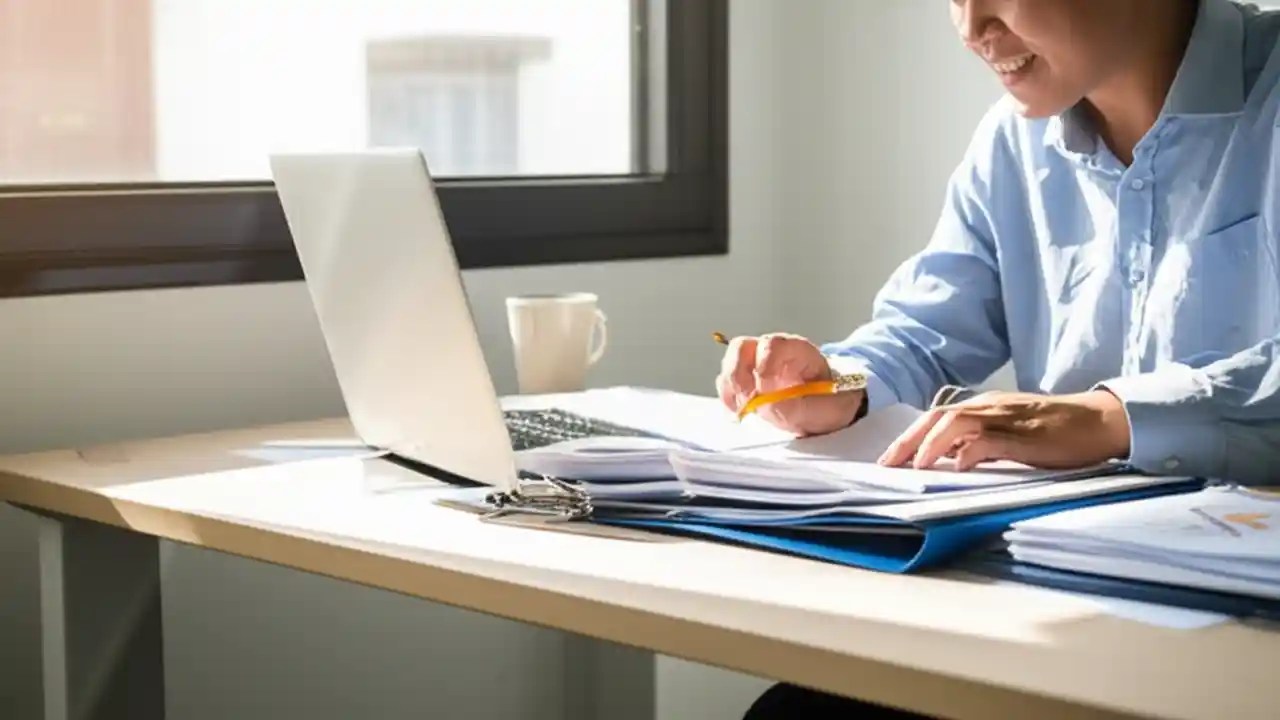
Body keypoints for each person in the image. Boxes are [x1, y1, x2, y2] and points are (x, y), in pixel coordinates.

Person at [723, 0, 1280, 716]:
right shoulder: (1015, 143)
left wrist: (1109, 417)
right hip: (1069, 599)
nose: (971, 28)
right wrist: (841, 384)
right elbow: (920, 335)